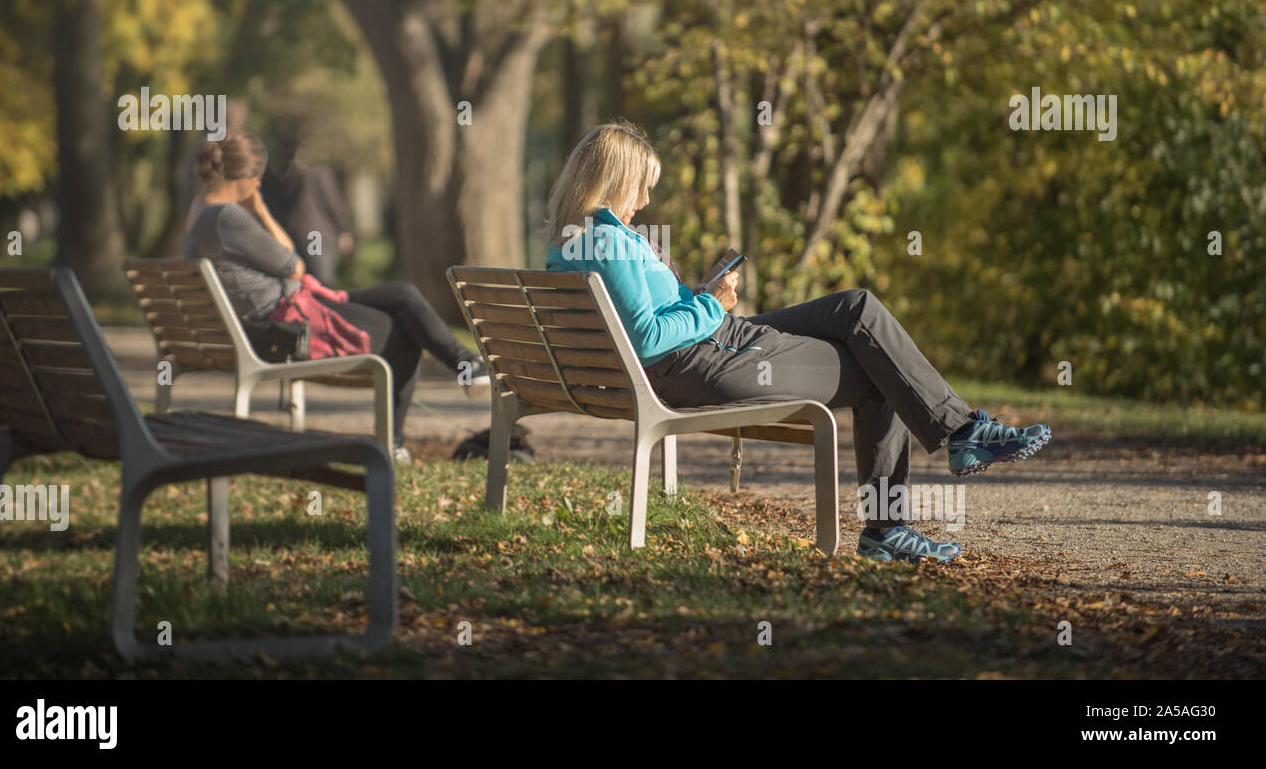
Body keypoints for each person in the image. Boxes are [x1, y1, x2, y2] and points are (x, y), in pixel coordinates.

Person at [545, 120, 1052, 563]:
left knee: (856, 308)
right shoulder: (608, 241)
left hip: (709, 347)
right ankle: (897, 516)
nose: (646, 201)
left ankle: (955, 440)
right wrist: (710, 305)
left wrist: (699, 297)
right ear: (612, 182)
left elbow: (642, 322)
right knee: (882, 373)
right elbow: (649, 337)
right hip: (705, 359)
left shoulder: (575, 241)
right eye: (640, 187)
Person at [183, 131, 490, 463]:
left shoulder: (200, 217)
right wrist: (258, 207)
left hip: (277, 318)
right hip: (286, 325)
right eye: (256, 178)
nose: (259, 185)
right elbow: (293, 263)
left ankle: (467, 365)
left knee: (403, 294)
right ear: (246, 176)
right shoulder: (229, 216)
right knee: (406, 333)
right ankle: (397, 440)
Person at [261, 140, 354, 285]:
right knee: (320, 279)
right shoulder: (320, 174)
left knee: (305, 278)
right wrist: (342, 229)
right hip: (315, 234)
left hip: (292, 234)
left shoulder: (284, 176)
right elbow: (332, 203)